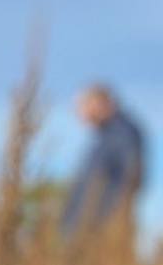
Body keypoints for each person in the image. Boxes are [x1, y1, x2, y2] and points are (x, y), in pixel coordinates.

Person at [60, 82, 146, 238]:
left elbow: (130, 177)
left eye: (84, 105)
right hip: (89, 223)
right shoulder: (106, 136)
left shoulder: (122, 133)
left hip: (100, 225)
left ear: (100, 104)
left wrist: (106, 219)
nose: (80, 112)